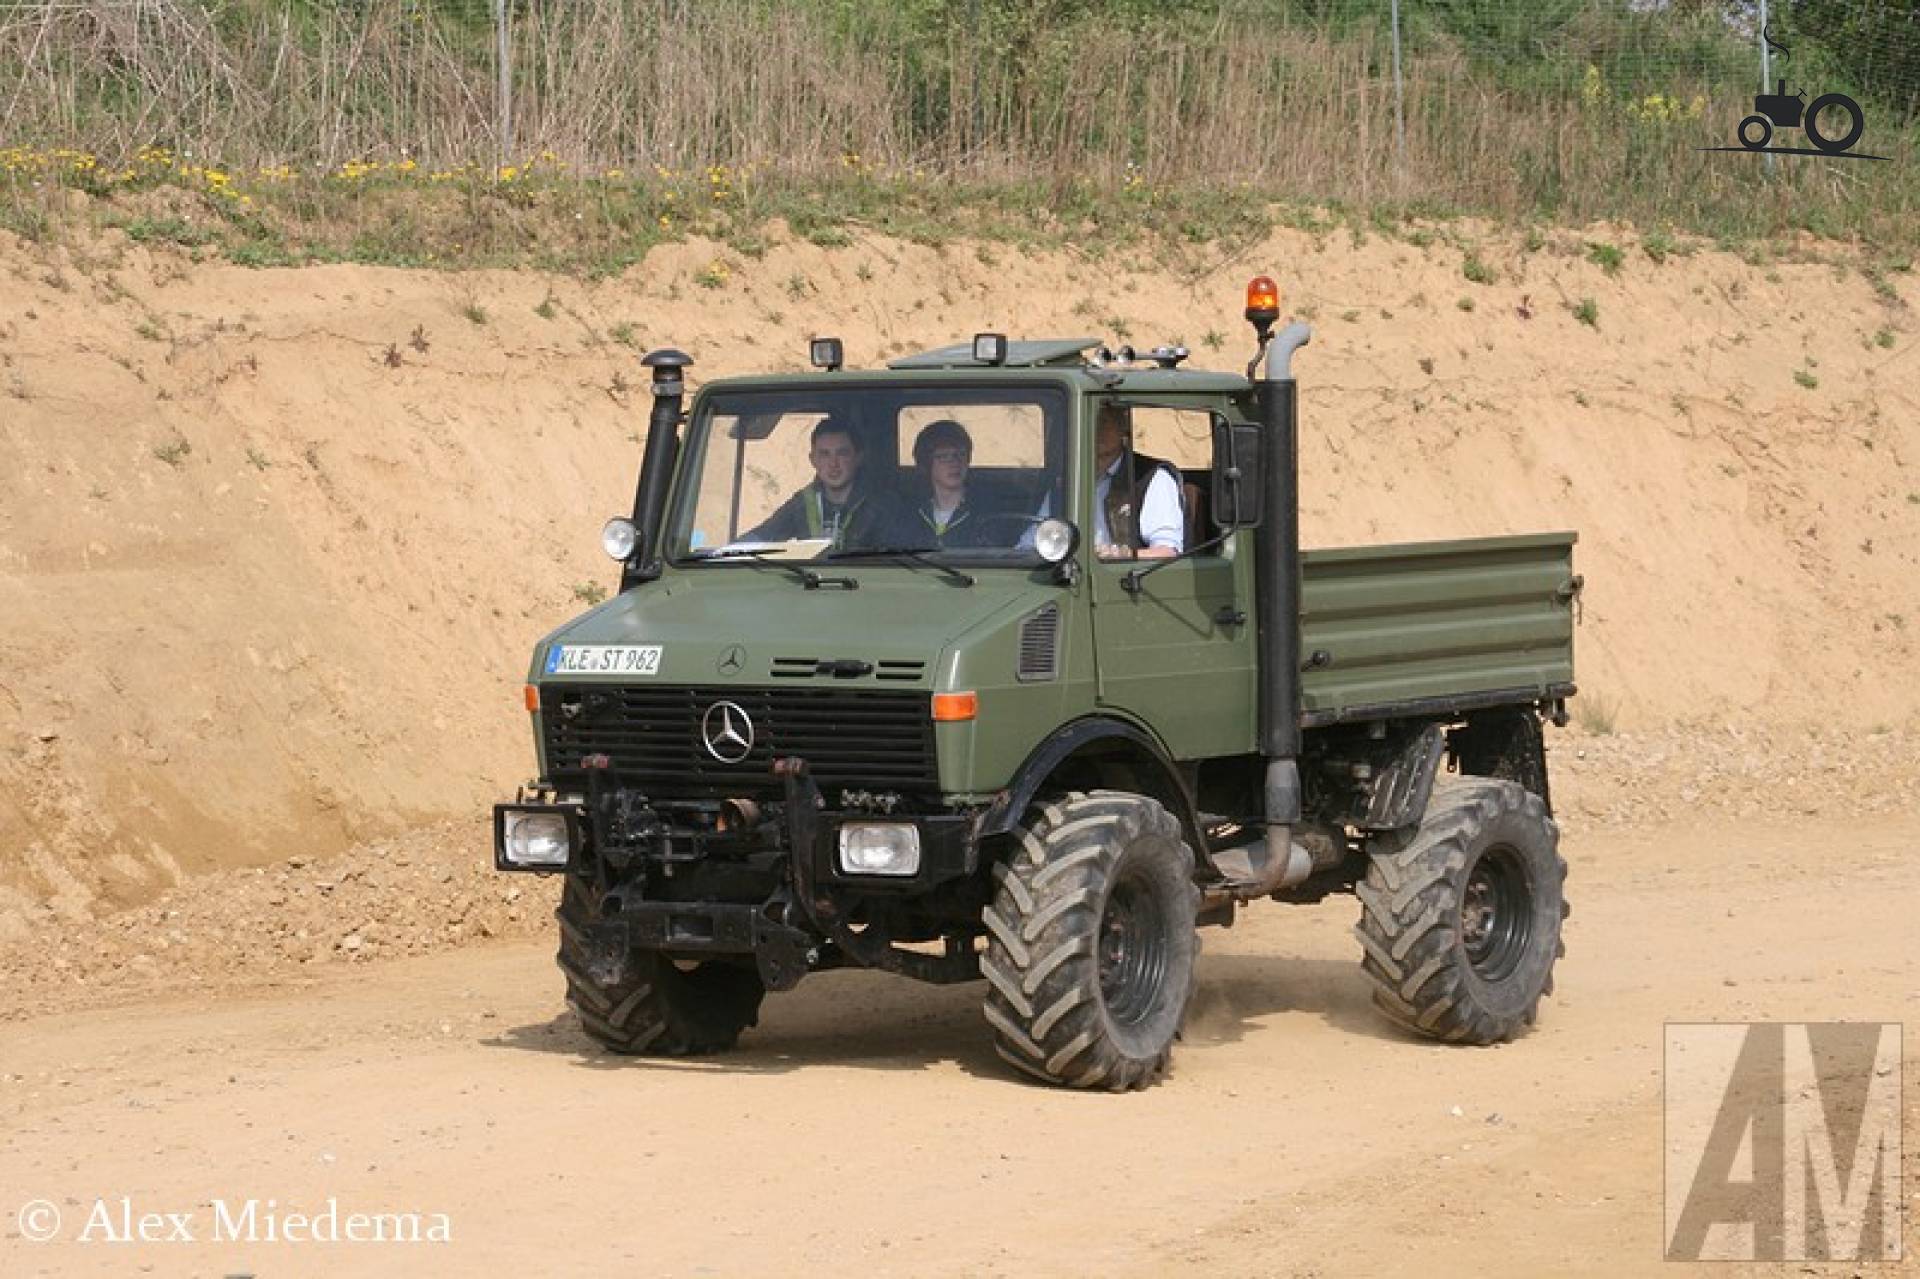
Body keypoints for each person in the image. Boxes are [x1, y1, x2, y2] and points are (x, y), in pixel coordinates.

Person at [1024, 403, 1184, 560]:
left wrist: (1123, 555)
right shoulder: (1066, 477)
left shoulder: (1151, 478)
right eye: (1087, 422)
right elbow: (1030, 543)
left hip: (1124, 579)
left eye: (1103, 422)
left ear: (1122, 428)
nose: (1094, 429)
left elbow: (1167, 551)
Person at [743, 415, 896, 549]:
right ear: (813, 460)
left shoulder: (883, 504)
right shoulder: (803, 503)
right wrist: (723, 555)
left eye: (842, 453)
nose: (833, 464)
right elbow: (761, 537)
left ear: (858, 458)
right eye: (824, 454)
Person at [906, 420, 999, 549]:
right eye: (943, 456)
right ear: (926, 463)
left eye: (960, 454)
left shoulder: (987, 513)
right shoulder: (911, 514)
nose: (955, 463)